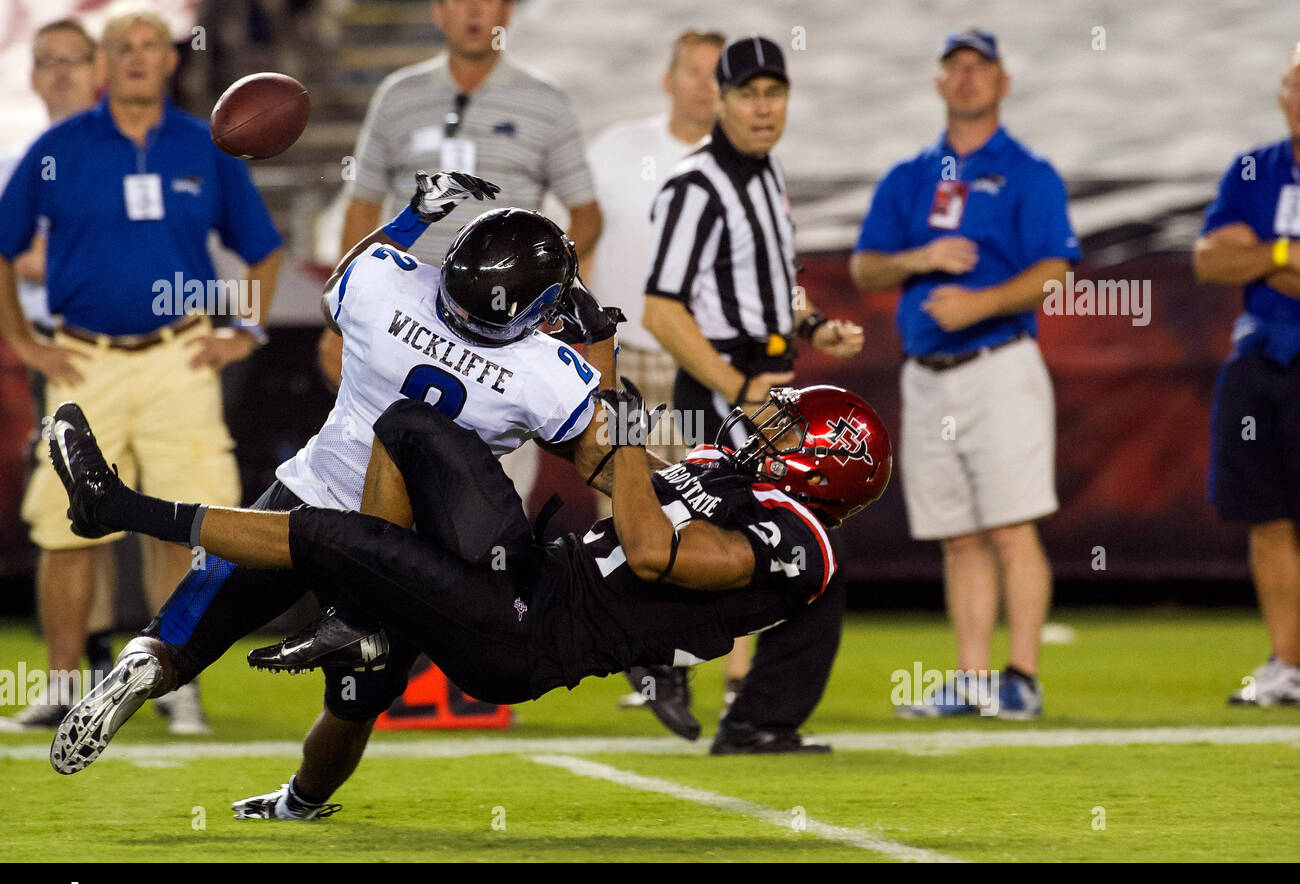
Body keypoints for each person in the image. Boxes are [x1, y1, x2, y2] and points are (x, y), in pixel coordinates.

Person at [48, 170, 626, 814]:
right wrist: (599, 335)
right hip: (400, 557)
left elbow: (334, 295)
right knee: (351, 708)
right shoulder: (544, 374)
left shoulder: (384, 285)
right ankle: (300, 801)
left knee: (181, 635)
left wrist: (411, 219)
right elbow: (599, 443)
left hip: (305, 499)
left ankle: (146, 659)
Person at [45, 378, 892, 816]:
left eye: (787, 428)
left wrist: (627, 436)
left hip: (524, 640)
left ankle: (113, 507)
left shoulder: (801, 545)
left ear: (825, 463)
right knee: (410, 425)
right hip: (527, 576)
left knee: (340, 536)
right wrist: (602, 409)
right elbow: (625, 472)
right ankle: (332, 714)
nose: (765, 428)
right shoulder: (737, 484)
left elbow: (649, 544)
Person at [0, 8, 283, 732]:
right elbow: (4, 246)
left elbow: (262, 248)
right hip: (83, 361)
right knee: (63, 531)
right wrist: (26, 341)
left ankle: (176, 683)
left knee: (185, 522)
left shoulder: (207, 145)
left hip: (178, 358)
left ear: (169, 61)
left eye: (147, 46)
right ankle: (64, 688)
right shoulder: (58, 148)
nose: (133, 57)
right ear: (104, 64)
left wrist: (245, 330)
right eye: (119, 47)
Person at [641, 35, 864, 752]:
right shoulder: (695, 186)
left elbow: (769, 288)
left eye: (776, 93)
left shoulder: (765, 178)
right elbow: (661, 311)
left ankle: (742, 705)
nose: (764, 107)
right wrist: (738, 387)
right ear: (721, 100)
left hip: (763, 385)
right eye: (749, 94)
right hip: (725, 390)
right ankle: (675, 659)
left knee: (784, 548)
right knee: (795, 546)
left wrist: (813, 326)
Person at [849, 29, 1079, 718]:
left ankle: (1023, 677)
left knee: (1011, 527)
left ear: (1003, 82)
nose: (968, 78)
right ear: (940, 82)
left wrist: (982, 300)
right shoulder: (912, 174)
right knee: (959, 535)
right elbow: (867, 266)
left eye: (981, 68)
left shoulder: (1029, 172)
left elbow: (1054, 270)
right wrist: (919, 259)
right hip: (928, 374)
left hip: (997, 363)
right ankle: (975, 679)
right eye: (956, 67)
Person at [319, 0, 602, 505]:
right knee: (358, 496)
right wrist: (339, 317)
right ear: (436, 11)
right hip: (401, 318)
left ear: (508, 12)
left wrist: (545, 290)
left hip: (501, 337)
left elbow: (587, 214)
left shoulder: (545, 101)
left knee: (480, 515)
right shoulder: (397, 95)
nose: (473, 10)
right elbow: (361, 205)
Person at [582, 29, 743, 719]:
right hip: (626, 359)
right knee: (626, 506)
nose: (705, 86)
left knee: (720, 508)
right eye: (695, 72)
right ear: (668, 79)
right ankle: (646, 660)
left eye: (718, 75)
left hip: (704, 363)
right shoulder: (619, 148)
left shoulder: (745, 165)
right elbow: (576, 240)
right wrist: (584, 346)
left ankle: (732, 671)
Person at [0, 19, 117, 719]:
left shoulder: (127, 146)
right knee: (63, 508)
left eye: (75, 60)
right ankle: (83, 663)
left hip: (117, 340)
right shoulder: (21, 156)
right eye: (50, 62)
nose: (63, 73)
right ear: (34, 74)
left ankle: (162, 670)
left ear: (96, 69)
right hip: (41, 345)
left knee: (117, 500)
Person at [1194, 43, 1300, 706]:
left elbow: (1236, 255)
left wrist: (1255, 257)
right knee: (1266, 515)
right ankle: (1287, 661)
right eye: (1296, 84)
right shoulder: (1255, 167)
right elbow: (1209, 259)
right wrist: (1286, 253)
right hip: (1261, 356)